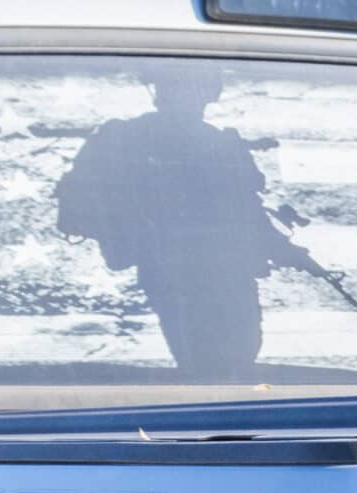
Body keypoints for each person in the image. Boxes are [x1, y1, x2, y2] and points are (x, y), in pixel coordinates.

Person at [52, 64, 321, 380]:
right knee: (212, 362)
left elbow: (248, 213)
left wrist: (287, 250)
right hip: (180, 277)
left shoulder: (217, 144)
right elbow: (80, 203)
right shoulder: (127, 141)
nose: (187, 98)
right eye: (180, 88)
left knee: (232, 356)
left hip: (217, 275)